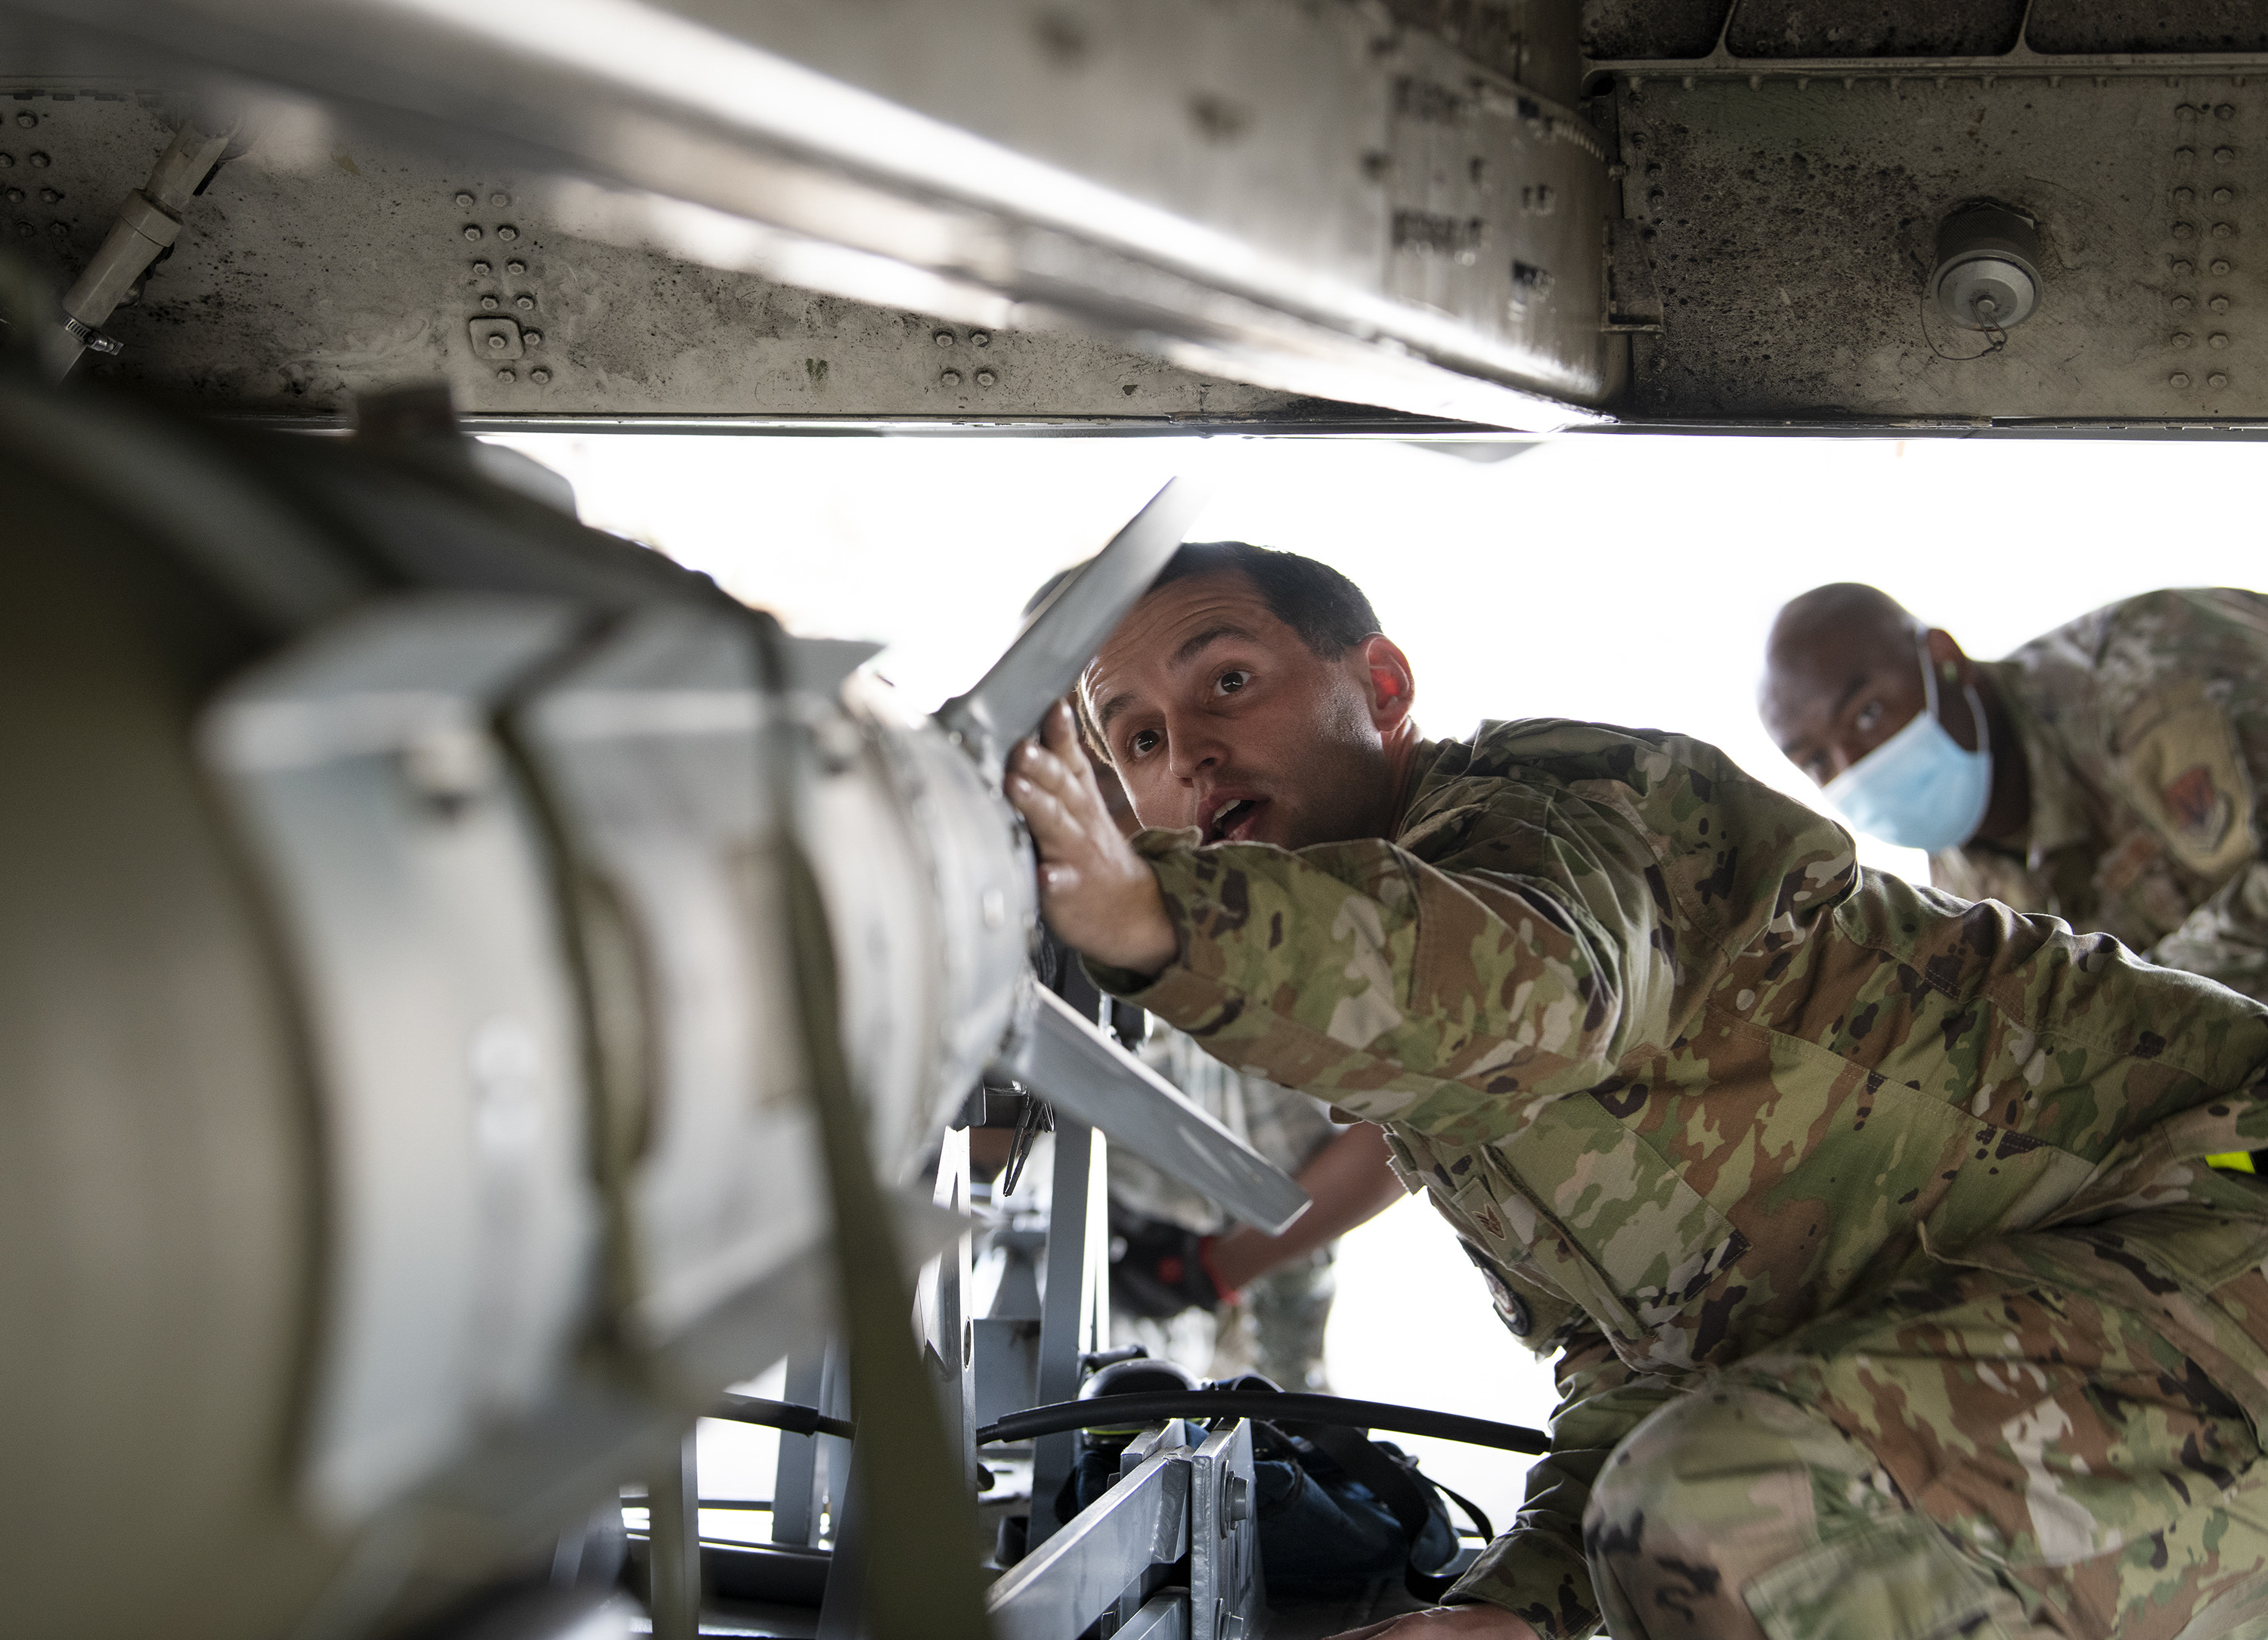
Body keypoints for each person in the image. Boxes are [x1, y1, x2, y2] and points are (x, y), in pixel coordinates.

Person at [1002, 541, 2268, 1640]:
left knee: (1731, 1505)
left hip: (2213, 1202)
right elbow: (1641, 1352)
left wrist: (1151, 910)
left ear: (1381, 688)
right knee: (1666, 1527)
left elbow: (1530, 987)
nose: (1194, 755)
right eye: (1144, 741)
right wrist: (1521, 1596)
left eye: (1228, 681)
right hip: (2124, 1317)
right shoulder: (1417, 1050)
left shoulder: (1569, 803)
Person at [1761, 583, 2268, 1005]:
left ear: (1946, 660)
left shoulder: (2148, 674)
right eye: (1817, 761)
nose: (1855, 766)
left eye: (1868, 715)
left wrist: (2130, 1008)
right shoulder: (1964, 900)